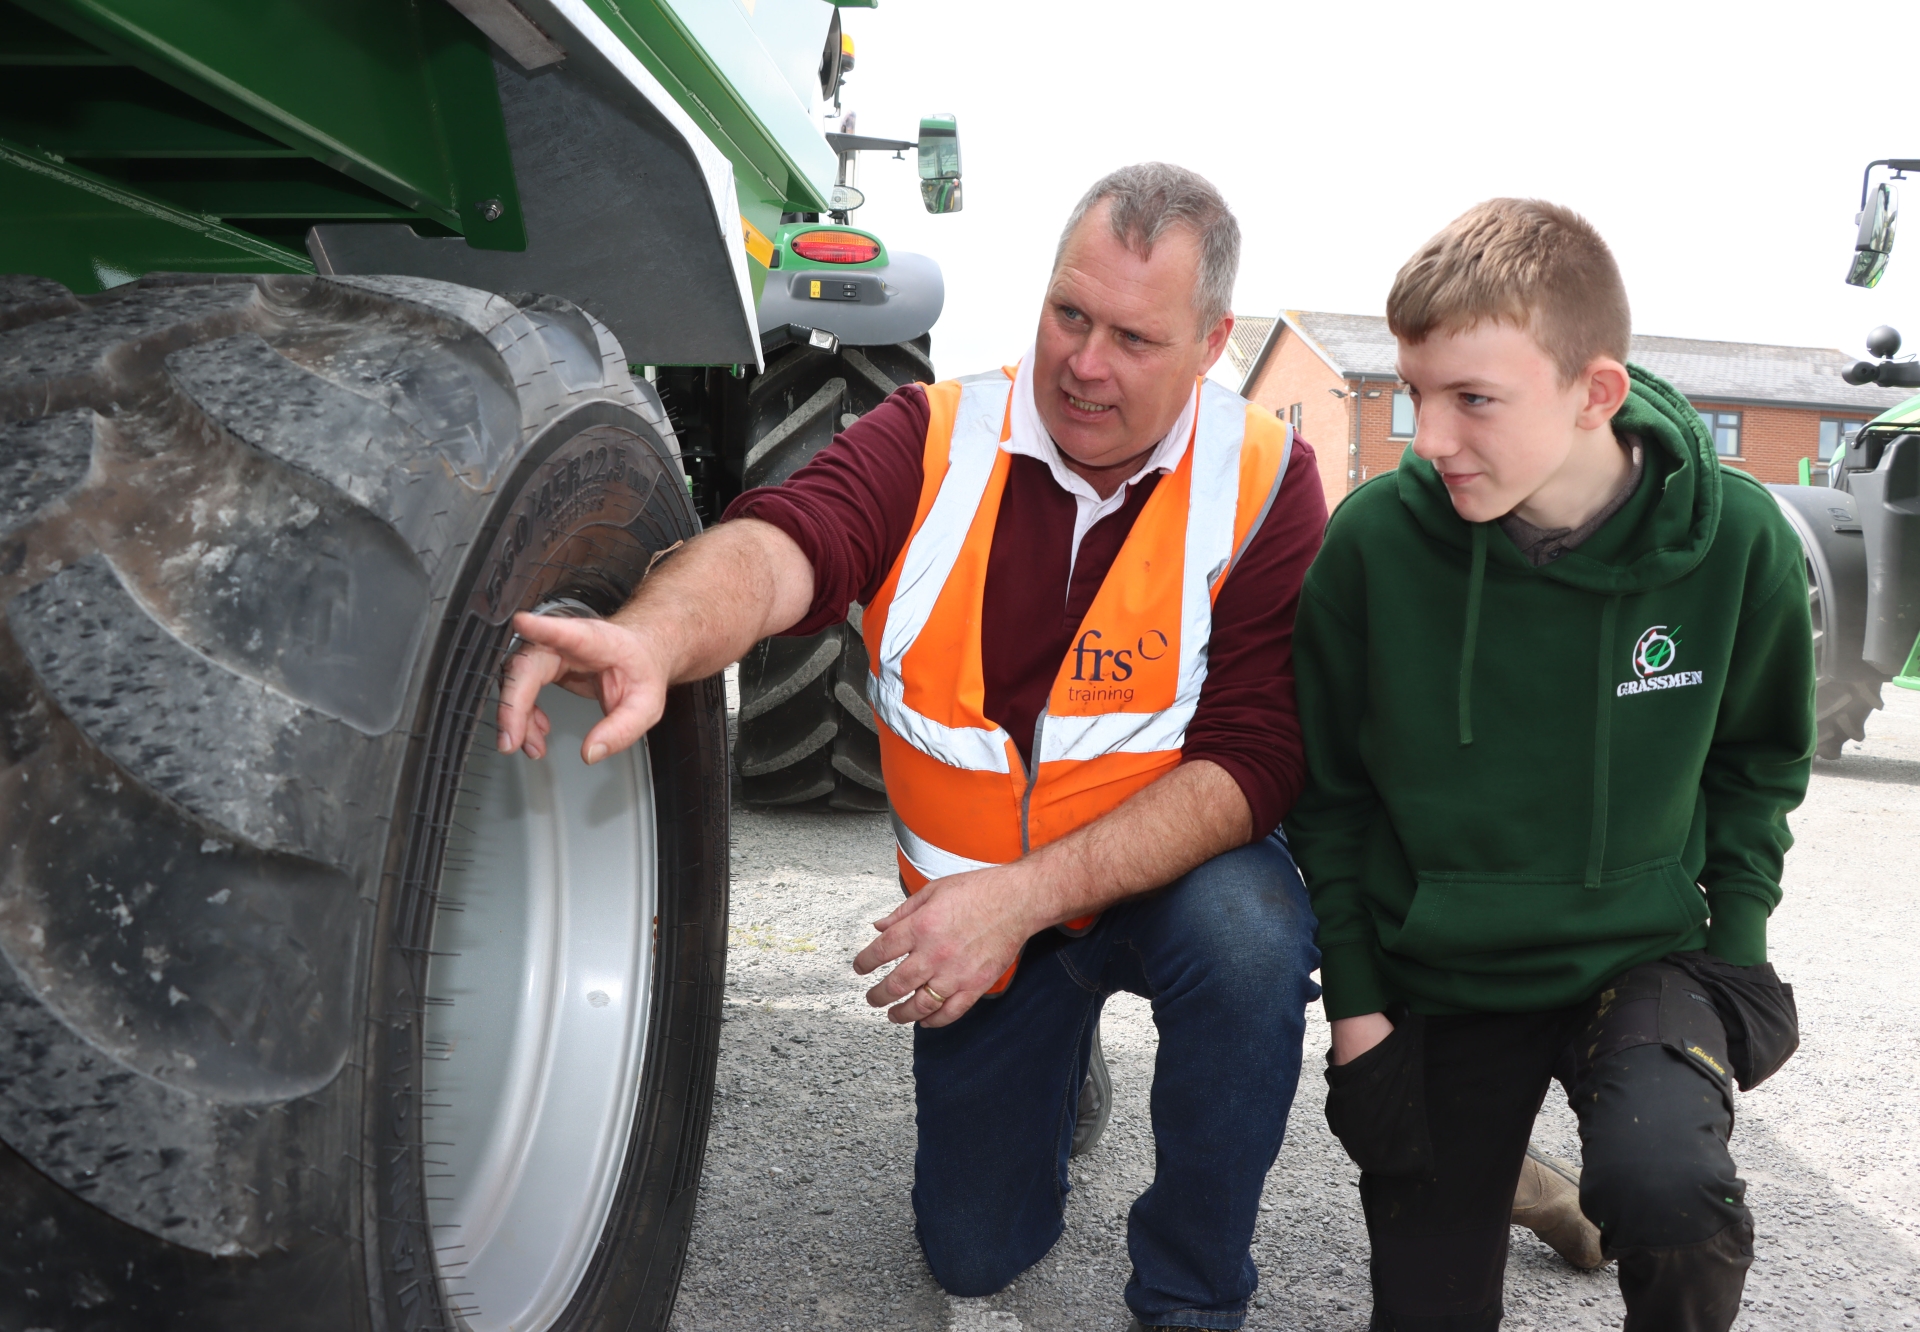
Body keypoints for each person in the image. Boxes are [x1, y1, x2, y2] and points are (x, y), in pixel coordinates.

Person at [496, 163, 1328, 1330]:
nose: (1085, 364)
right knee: (973, 1253)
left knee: (1251, 937)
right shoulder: (934, 437)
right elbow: (788, 543)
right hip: (990, 919)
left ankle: (1193, 1291)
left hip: (1152, 885)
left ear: (1210, 342)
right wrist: (652, 633)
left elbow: (1256, 759)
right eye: (1068, 314)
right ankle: (1053, 1067)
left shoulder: (1265, 480)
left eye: (1134, 338)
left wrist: (1023, 899)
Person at [1286, 198, 1809, 1332]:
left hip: (1641, 955)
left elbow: (1758, 765)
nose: (1429, 436)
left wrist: (1741, 950)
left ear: (1594, 393)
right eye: (1415, 391)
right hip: (1444, 978)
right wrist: (1360, 1012)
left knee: (1668, 1186)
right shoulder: (1375, 545)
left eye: (1474, 399)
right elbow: (1327, 799)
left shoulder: (1738, 544)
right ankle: (1531, 1198)